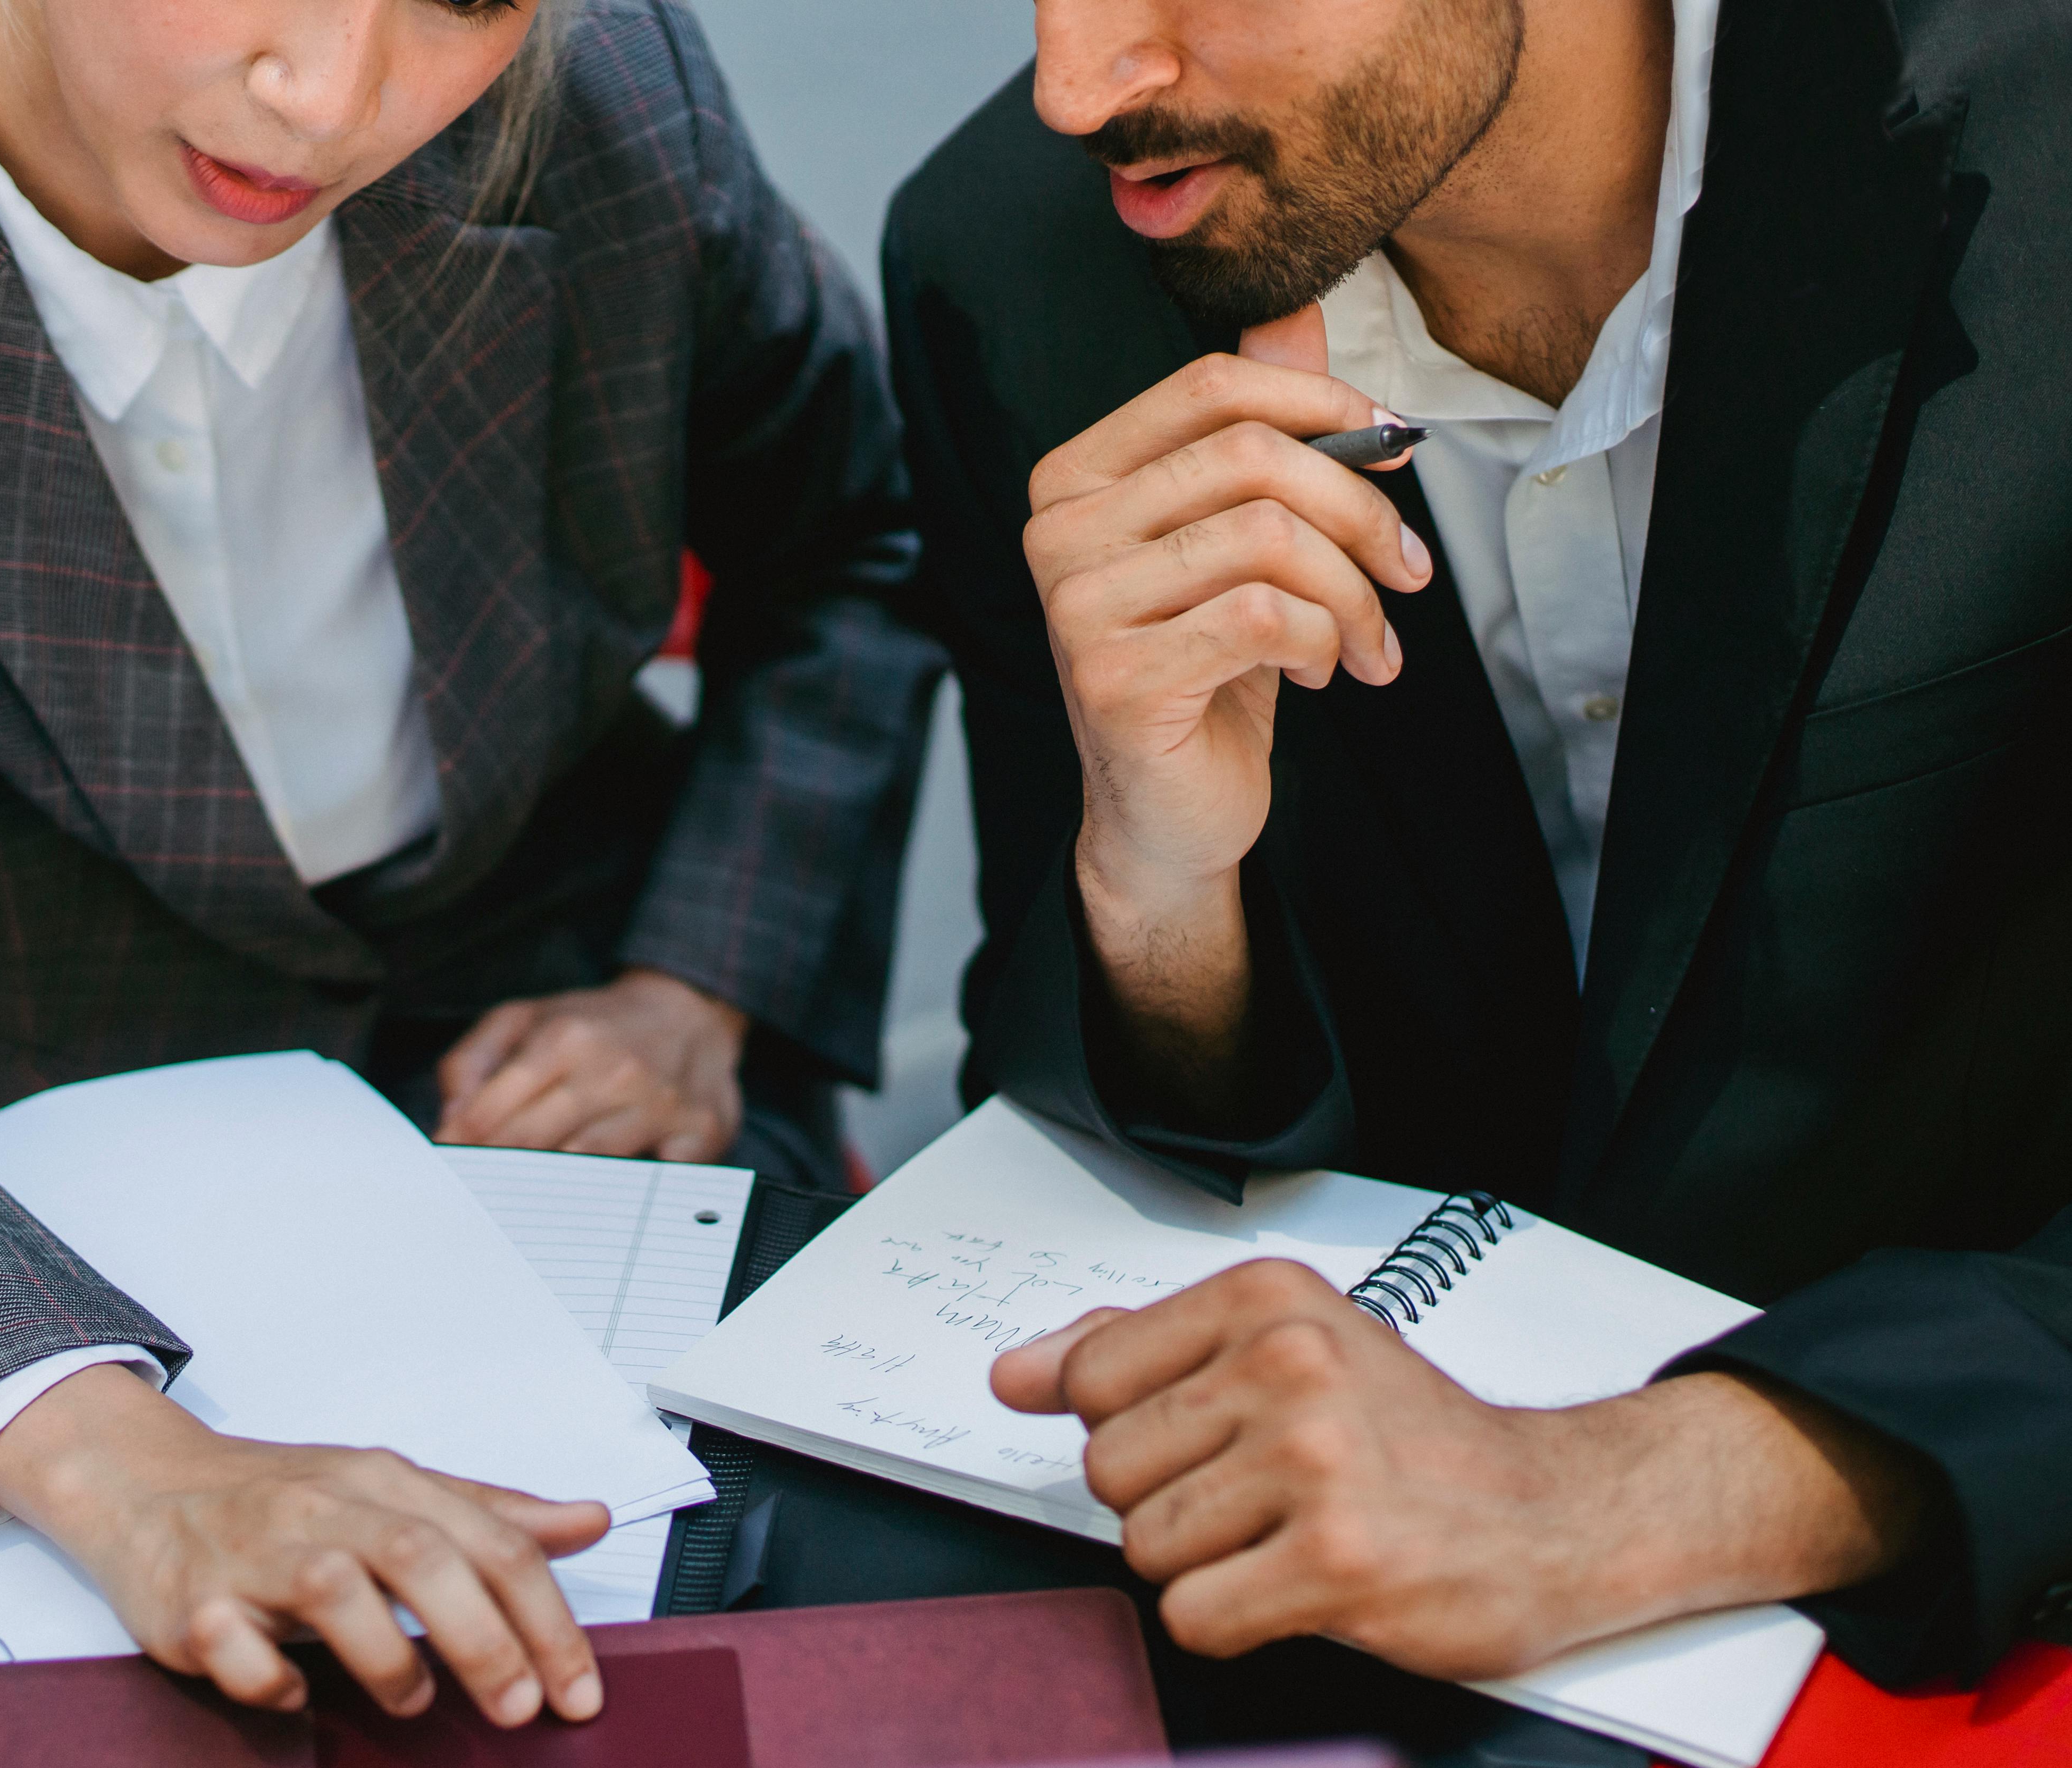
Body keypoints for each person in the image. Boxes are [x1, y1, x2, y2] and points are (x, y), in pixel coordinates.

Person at [0, 0, 939, 1725]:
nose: (325, 100)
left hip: (583, 1015)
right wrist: (119, 1466)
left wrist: (698, 984)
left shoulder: (602, 88)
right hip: (33, 1193)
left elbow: (853, 536)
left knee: (853, 1660)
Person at [882, 0, 2072, 1716]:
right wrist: (1159, 891)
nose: (1080, 82)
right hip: (1360, 1646)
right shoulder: (1014, 257)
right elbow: (1089, 1094)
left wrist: (1646, 1491)